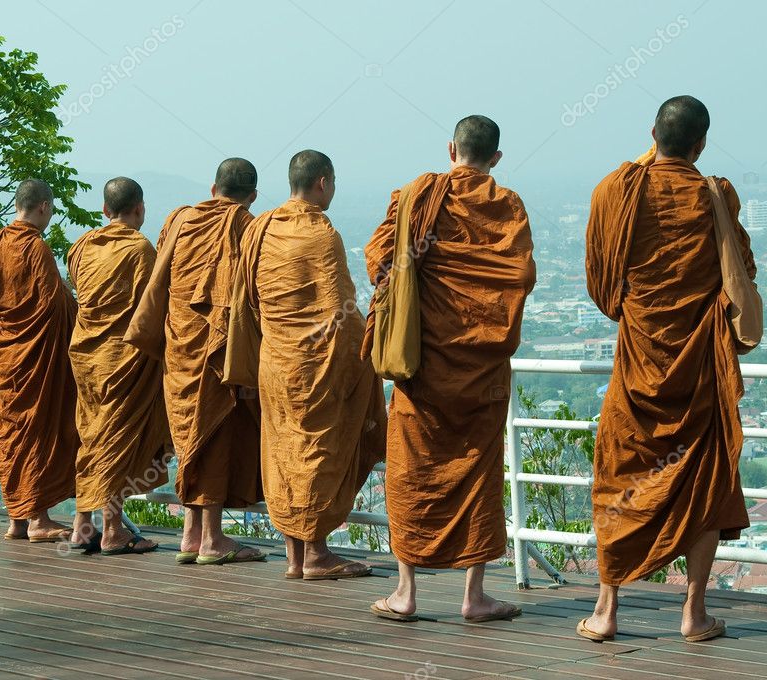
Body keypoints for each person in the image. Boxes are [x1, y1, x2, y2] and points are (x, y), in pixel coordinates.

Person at [580, 95, 753, 642]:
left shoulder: (617, 189)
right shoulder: (716, 194)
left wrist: (637, 312)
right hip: (699, 367)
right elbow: (740, 275)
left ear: (651, 131)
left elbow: (603, 287)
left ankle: (606, 611)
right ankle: (693, 614)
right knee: (705, 480)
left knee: (620, 477)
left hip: (636, 365)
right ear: (701, 144)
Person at [364, 115, 536, 623]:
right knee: (477, 470)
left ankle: (405, 593)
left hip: (421, 362)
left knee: (412, 468)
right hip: (481, 369)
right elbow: (519, 273)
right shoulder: (506, 205)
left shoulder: (415, 198)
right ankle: (474, 596)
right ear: (496, 158)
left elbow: (379, 259)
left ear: (451, 149)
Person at [226, 150, 386, 580]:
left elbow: (249, 300)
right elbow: (339, 310)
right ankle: (315, 553)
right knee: (317, 451)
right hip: (314, 366)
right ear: (322, 183)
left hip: (275, 362)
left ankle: (296, 556)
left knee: (284, 453)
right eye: (333, 183)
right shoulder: (321, 235)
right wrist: (366, 353)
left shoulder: (260, 227)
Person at [125, 159, 265, 565]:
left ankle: (191, 534)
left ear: (212, 188)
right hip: (217, 352)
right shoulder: (246, 224)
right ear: (251, 196)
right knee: (214, 436)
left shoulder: (180, 220)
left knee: (190, 437)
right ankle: (213, 540)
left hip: (179, 349)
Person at [66, 177, 172, 555]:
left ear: (105, 210)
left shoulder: (81, 247)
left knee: (92, 437)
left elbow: (79, 291)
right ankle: (112, 529)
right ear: (139, 208)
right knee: (116, 440)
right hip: (122, 358)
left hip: (85, 357)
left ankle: (81, 525)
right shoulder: (141, 249)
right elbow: (152, 306)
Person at [0, 179, 80, 543]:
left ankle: (17, 519)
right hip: (37, 357)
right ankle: (38, 520)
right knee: (36, 430)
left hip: (9, 353)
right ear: (44, 207)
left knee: (13, 432)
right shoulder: (36, 249)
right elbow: (55, 305)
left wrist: (12, 329)